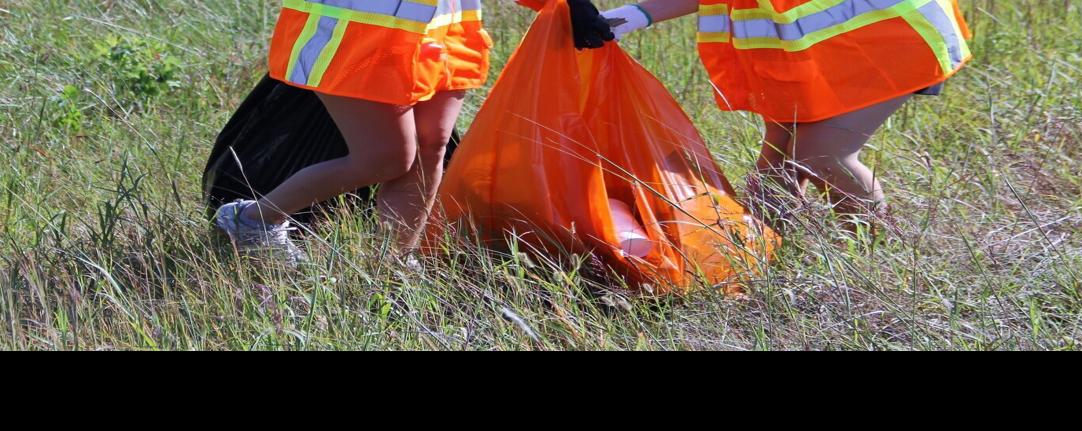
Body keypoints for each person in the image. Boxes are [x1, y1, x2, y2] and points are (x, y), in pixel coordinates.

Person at [214, 0, 618, 261]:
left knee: (431, 146)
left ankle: (392, 265)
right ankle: (252, 221)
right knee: (384, 158)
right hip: (358, 31)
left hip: (439, 31)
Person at [600, 0, 971, 219]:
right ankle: (761, 260)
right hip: (821, 49)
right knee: (777, 166)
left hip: (894, 37)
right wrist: (630, 16)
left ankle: (878, 262)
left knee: (821, 154)